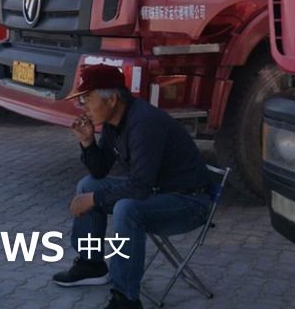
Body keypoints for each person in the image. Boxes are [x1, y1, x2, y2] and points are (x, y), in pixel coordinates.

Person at [53, 63, 212, 309]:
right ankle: (92, 264)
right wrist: (87, 142)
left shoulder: (144, 123)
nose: (82, 106)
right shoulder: (112, 122)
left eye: (87, 98)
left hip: (189, 202)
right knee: (87, 185)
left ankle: (126, 298)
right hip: (157, 191)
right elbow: (100, 171)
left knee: (127, 209)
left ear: (112, 99)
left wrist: (95, 200)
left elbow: (139, 188)